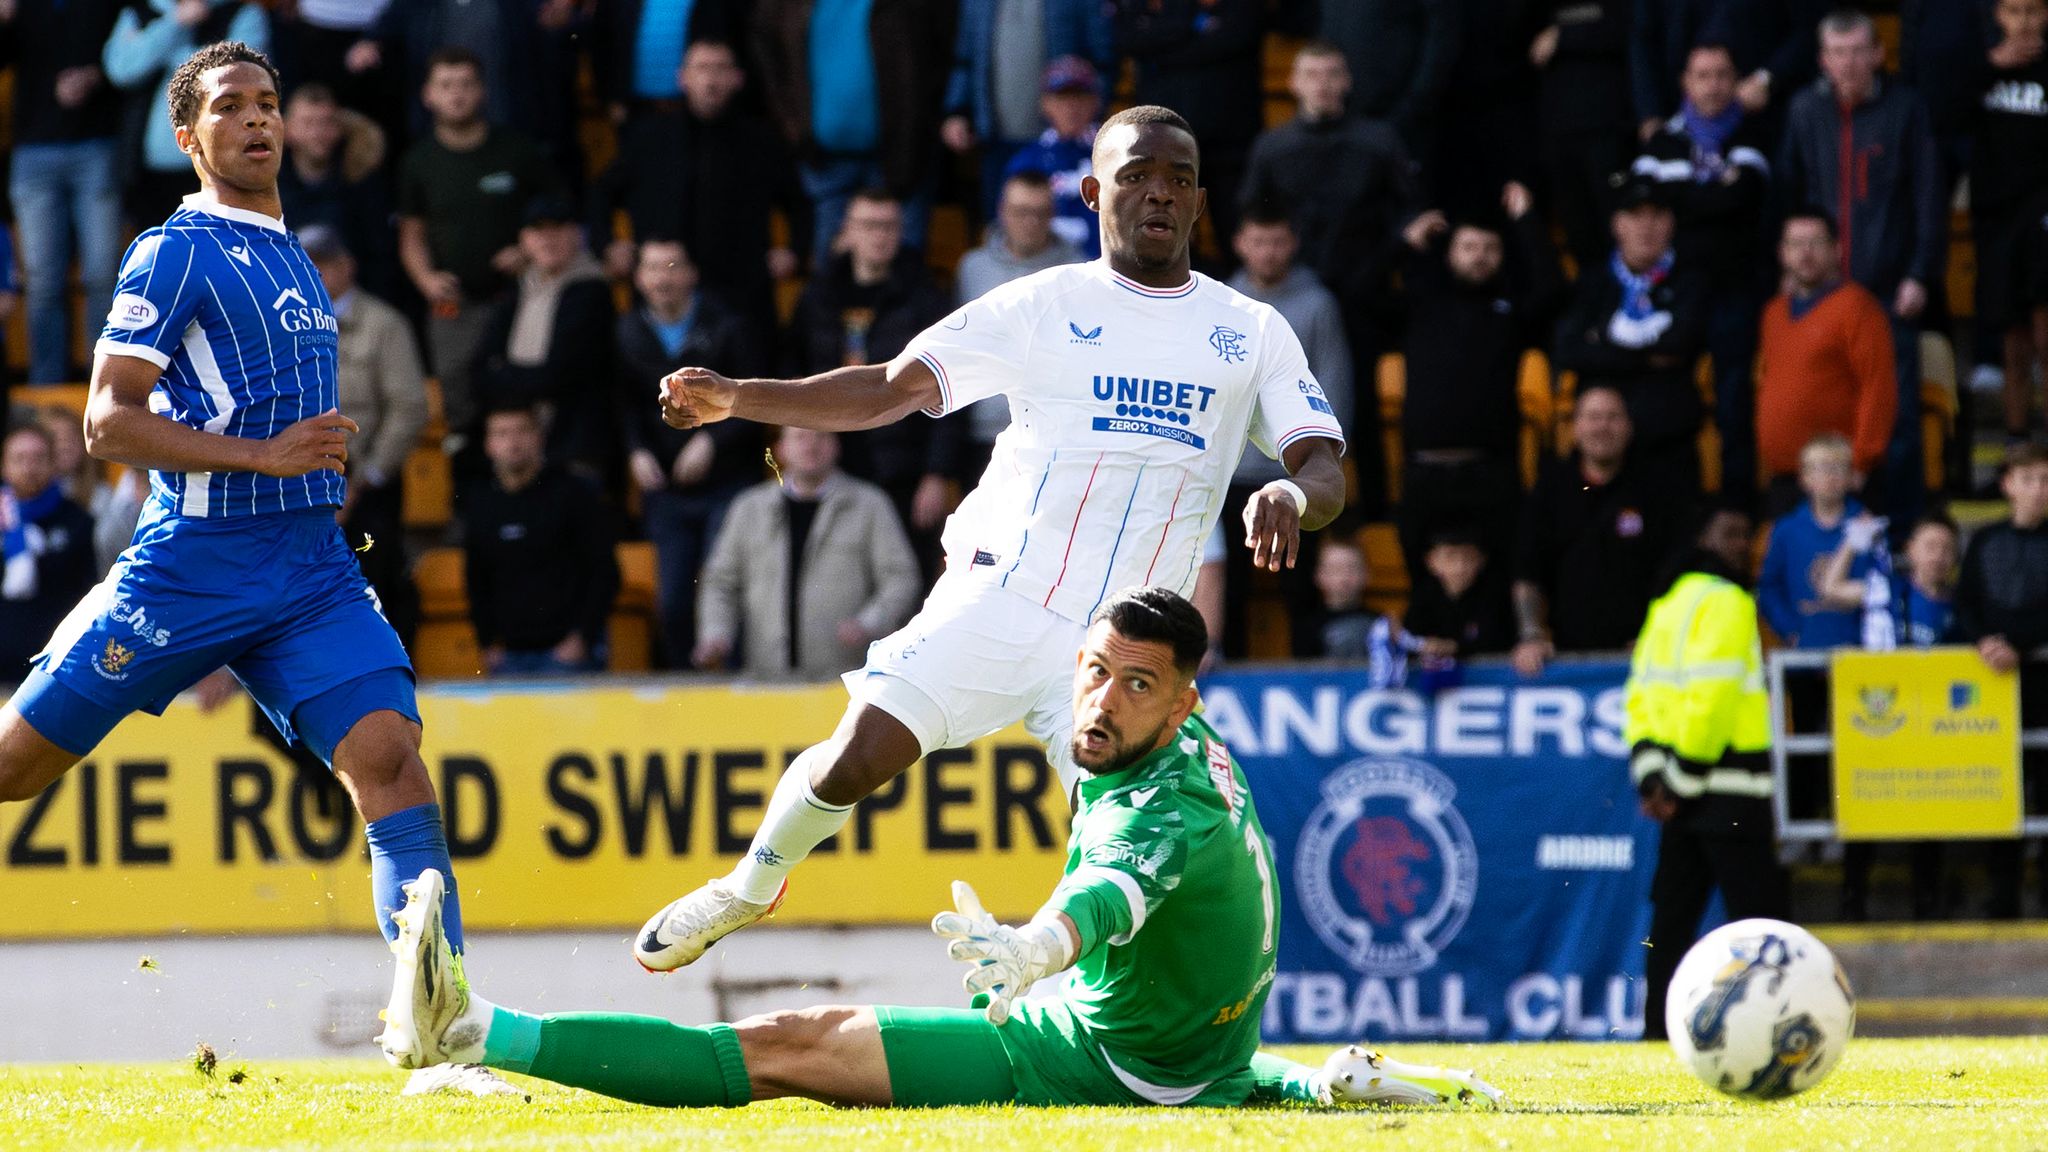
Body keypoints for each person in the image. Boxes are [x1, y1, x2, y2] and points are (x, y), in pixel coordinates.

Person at [640, 105, 1347, 970]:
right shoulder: (1042, 303)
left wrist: (1287, 488)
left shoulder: (1252, 330)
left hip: (1124, 643)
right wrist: (739, 396)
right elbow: (891, 387)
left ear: (1201, 202)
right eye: (1136, 176)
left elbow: (1326, 467)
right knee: (855, 761)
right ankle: (748, 886)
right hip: (1006, 592)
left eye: (1179, 180)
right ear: (1093, 193)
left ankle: (1073, 1000)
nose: (1158, 193)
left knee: (1131, 841)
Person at [377, 586, 1502, 1112]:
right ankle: (1306, 1088)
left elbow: (1107, 898)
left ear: (1182, 701)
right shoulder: (1171, 742)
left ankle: (472, 1032)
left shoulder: (1160, 811)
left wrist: (1028, 950)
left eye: (1136, 685)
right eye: (1095, 670)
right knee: (800, 1039)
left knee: (785, 1048)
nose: (1099, 703)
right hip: (1182, 1048)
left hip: (1093, 1063)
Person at [0, 42, 501, 1096]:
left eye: (269, 103)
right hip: (193, 564)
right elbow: (105, 422)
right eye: (231, 107)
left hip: (311, 567)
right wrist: (264, 456)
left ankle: (439, 1039)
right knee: (13, 771)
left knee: (391, 761)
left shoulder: (293, 251)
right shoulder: (172, 251)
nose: (259, 121)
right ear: (189, 137)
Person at [1626, 500, 1788, 1041]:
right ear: (1701, 537)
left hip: (1680, 794)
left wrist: (1655, 778)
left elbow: (1640, 698)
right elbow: (1712, 700)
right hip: (1727, 790)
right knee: (1763, 925)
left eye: (1747, 534)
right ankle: (1780, 1034)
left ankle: (1655, 1035)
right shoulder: (1728, 598)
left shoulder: (1666, 601)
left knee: (1670, 926)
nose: (1741, 545)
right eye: (1730, 532)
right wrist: (1680, 781)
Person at [1778, 9, 1943, 521]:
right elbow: (1789, 191)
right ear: (1823, 59)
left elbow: (1928, 196)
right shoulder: (1805, 109)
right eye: (1837, 52)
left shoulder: (1906, 109)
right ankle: (1819, 531)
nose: (1847, 63)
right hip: (1821, 292)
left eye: (1857, 51)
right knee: (1823, 412)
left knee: (1895, 422)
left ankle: (1900, 531)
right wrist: (1790, 265)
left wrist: (1920, 272)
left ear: (1877, 54)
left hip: (1887, 290)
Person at [1395, 181, 1561, 584]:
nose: (1480, 258)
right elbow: (1359, 291)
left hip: (1491, 474)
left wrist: (1526, 222)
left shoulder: (1509, 315)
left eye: (1490, 249)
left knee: (1504, 575)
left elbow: (1554, 291)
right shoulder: (1419, 308)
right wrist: (1405, 243)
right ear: (1450, 252)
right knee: (1422, 581)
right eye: (1469, 248)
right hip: (1423, 473)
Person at [397, 47, 563, 450]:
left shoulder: (517, 150)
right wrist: (426, 279)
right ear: (428, 95)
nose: (457, 95)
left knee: (523, 399)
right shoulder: (418, 161)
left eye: (466, 85)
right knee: (457, 408)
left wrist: (526, 252)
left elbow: (555, 217)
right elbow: (411, 235)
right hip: (454, 305)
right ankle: (466, 500)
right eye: (446, 85)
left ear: (483, 91)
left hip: (518, 296)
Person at [786, 188, 956, 579]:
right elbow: (791, 370)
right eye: (869, 225)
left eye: (889, 226)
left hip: (902, 465)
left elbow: (948, 390)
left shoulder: (925, 298)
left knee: (906, 577)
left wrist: (935, 473)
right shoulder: (818, 295)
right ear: (847, 231)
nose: (879, 235)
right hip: (831, 460)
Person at [1633, 42, 1774, 507]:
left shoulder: (1755, 132)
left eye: (1721, 75)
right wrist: (1717, 192)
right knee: (1670, 397)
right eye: (1703, 75)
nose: (1713, 85)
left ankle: (1736, 505)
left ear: (1735, 81)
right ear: (1685, 83)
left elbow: (1745, 199)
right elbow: (1653, 211)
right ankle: (1674, 502)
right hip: (1677, 291)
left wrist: (1688, 199)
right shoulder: (1662, 142)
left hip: (1737, 289)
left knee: (1734, 401)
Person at [589, 38, 808, 333]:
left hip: (740, 289)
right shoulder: (649, 137)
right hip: (663, 289)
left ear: (737, 79)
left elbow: (798, 202)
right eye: (702, 68)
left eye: (720, 69)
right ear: (683, 78)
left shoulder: (761, 140)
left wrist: (793, 250)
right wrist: (608, 245)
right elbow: (601, 192)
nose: (710, 79)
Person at [617, 237, 765, 669]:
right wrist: (636, 450)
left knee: (727, 585)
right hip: (665, 485)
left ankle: (739, 681)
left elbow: (754, 399)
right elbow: (623, 402)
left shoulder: (728, 325)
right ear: (638, 277)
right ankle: (685, 682)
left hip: (728, 481)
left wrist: (711, 441)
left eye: (673, 266)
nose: (663, 277)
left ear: (692, 274)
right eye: (652, 268)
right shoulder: (627, 330)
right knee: (675, 597)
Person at [1218, 209, 1355, 657]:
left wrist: (1324, 458)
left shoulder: (1317, 304)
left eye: (1276, 241)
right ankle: (1228, 679)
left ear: (1292, 243)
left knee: (1301, 586)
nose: (1268, 252)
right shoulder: (1222, 302)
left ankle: (1308, 676)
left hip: (1296, 472)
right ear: (1240, 242)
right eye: (1259, 241)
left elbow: (1333, 383)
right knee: (1229, 586)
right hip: (1232, 475)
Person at [1816, 510, 1960, 920]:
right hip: (1881, 723)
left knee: (1929, 810)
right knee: (1869, 809)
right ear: (1910, 550)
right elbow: (1830, 587)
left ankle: (1926, 903)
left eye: (1947, 549)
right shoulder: (1884, 592)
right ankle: (1852, 900)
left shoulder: (1959, 604)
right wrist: (1852, 545)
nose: (1938, 556)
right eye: (1930, 546)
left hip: (1933, 727)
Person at [695, 427, 922, 678]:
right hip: (766, 680)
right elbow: (720, 582)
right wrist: (716, 633)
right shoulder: (748, 508)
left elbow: (901, 577)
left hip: (844, 679)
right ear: (780, 449)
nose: (811, 446)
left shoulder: (870, 504)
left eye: (821, 436)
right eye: (800, 437)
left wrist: (869, 623)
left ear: (837, 445)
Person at [303, 225, 426, 648]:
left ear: (347, 266)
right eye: (306, 264)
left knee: (373, 586)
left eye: (323, 264)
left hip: (368, 490)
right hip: (295, 487)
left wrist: (365, 479)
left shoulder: (384, 325)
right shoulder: (277, 327)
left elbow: (409, 408)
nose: (314, 274)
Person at [751, 0, 954, 256]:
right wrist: (794, 125)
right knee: (830, 275)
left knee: (905, 273)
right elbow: (766, 48)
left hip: (902, 162)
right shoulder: (787, 5)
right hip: (824, 163)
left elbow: (947, 54)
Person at [1552, 173, 1709, 500]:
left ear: (1671, 223)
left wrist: (1603, 347)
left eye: (1656, 215)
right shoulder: (1592, 283)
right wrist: (1646, 356)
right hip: (1602, 455)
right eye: (1635, 215)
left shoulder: (1691, 280)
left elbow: (1683, 341)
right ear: (1617, 224)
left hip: (1670, 443)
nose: (1646, 226)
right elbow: (1567, 349)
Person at [1513, 383, 1678, 674]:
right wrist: (1532, 635)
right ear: (1575, 427)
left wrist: (1657, 635)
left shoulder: (1656, 490)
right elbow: (1529, 571)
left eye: (1613, 417)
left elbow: (1673, 573)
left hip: (1643, 656)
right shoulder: (1550, 490)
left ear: (1629, 427)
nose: (1603, 426)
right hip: (1565, 659)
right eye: (1593, 417)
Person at [3, 0, 124, 386]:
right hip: (32, 150)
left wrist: (94, 75)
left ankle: (104, 386)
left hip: (97, 144)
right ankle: (47, 387)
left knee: (103, 275)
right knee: (42, 280)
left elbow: (128, 60)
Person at [1955, 444, 2048, 918]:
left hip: (2042, 679)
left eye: (2045, 479)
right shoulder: (1986, 540)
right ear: (2008, 484)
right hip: (1994, 681)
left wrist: (2019, 644)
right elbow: (1966, 601)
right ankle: (2003, 894)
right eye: (2029, 478)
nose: (2038, 489)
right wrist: (1985, 642)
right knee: (1998, 784)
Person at [462, 402, 619, 676]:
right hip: (508, 656)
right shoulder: (481, 503)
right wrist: (487, 643)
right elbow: (476, 579)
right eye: (501, 433)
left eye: (522, 430)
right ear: (488, 444)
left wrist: (582, 637)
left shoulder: (573, 493)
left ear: (539, 436)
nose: (513, 442)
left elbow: (605, 571)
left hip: (568, 654)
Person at [1754, 209, 1897, 506]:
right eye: (1795, 244)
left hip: (1839, 477)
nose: (1805, 254)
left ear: (1837, 249)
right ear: (1782, 253)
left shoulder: (1857, 307)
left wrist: (1861, 462)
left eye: (1815, 243)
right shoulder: (1774, 312)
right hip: (1784, 476)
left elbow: (1878, 388)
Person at [470, 195, 617, 480]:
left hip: (574, 445)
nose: (548, 239)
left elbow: (561, 374)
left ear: (576, 234)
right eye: (538, 231)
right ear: (523, 240)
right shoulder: (517, 290)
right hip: (520, 446)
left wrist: (504, 374)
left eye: (558, 228)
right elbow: (479, 369)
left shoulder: (592, 290)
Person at [954, 172, 1085, 482]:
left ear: (1053, 215)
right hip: (982, 431)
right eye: (1021, 212)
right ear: (1002, 212)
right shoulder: (972, 268)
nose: (1031, 221)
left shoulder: (1079, 272)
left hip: (1054, 436)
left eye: (1040, 213)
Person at [941, 0, 1114, 220]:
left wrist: (1087, 114)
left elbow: (1103, 56)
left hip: (1065, 139)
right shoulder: (977, 3)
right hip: (995, 137)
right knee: (1003, 223)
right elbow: (964, 58)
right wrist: (956, 110)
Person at [102, 0, 270, 225]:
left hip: (219, 170)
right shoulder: (140, 11)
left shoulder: (241, 12)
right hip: (145, 172)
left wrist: (157, 51)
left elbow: (235, 78)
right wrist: (175, 22)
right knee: (158, 254)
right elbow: (121, 71)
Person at [1971, 0, 2048, 447]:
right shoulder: (1979, 68)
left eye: (2033, 11)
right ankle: (2018, 443)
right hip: (1997, 215)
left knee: (2045, 336)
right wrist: (1988, 67)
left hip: (2042, 213)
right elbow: (1945, 110)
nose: (2023, 22)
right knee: (2013, 340)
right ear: (1998, 16)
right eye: (2014, 11)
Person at [1528, 0, 1636, 274]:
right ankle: (1593, 304)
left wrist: (1565, 37)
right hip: (1557, 128)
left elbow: (1630, 28)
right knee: (1576, 231)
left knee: (1618, 229)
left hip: (1608, 125)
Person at [276, 82, 394, 297]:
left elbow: (379, 254)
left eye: (326, 123)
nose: (318, 133)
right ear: (287, 129)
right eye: (308, 123)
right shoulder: (266, 185)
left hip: (356, 300)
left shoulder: (362, 182)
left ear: (340, 129)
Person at [0, 424, 98, 682]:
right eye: (19, 459)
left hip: (53, 672)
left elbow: (87, 596)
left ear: (54, 464)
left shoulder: (78, 521)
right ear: (4, 466)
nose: (28, 468)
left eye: (38, 459)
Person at [1758, 434, 1874, 650]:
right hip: (1803, 649)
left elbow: (1878, 586)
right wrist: (1791, 630)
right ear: (1804, 478)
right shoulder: (1786, 530)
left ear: (1851, 476)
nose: (1830, 476)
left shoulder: (1868, 527)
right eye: (1820, 468)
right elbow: (1769, 587)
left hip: (1857, 650)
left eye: (1838, 468)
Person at [1001, 56, 1104, 260]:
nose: (1071, 107)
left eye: (1080, 96)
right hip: (1043, 269)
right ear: (1045, 103)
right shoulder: (1026, 161)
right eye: (1062, 97)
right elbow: (1007, 225)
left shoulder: (1114, 157)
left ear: (1096, 102)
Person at [1403, 527, 1514, 661]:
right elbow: (1409, 640)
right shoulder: (1423, 595)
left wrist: (1454, 647)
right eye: (1450, 556)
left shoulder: (1495, 595)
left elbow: (1497, 644)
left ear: (1482, 560)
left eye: (1469, 557)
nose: (1460, 566)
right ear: (1431, 561)